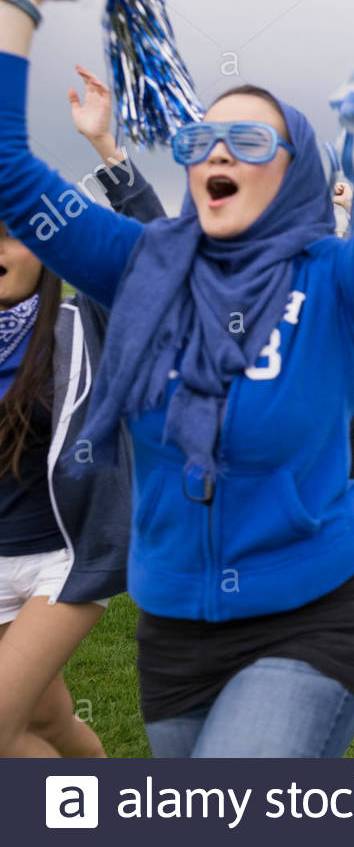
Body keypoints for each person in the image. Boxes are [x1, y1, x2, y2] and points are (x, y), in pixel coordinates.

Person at [0, 0, 354, 756]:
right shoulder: (140, 266)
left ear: (294, 170)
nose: (217, 152)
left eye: (247, 140)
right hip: (174, 634)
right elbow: (10, 175)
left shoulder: (339, 281)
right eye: (201, 138)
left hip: (310, 619)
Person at [0, 63, 155, 758]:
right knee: (49, 721)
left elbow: (160, 256)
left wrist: (108, 151)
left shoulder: (83, 318)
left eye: (11, 233)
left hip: (65, 558)